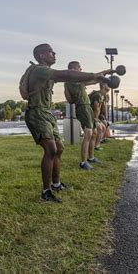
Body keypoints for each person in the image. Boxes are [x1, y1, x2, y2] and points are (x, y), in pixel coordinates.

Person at [24, 43, 114, 203]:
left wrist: (101, 75)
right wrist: (95, 75)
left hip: (47, 114)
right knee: (50, 149)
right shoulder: (40, 70)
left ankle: (56, 184)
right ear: (41, 56)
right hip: (36, 113)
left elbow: (74, 77)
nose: (54, 53)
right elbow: (66, 74)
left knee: (59, 148)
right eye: (50, 51)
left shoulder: (46, 72)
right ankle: (46, 192)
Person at [64, 61, 102, 170]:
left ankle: (91, 158)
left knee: (94, 133)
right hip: (82, 107)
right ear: (73, 69)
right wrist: (99, 75)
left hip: (87, 106)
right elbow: (88, 79)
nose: (81, 69)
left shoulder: (78, 81)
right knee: (88, 133)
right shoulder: (71, 80)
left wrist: (101, 78)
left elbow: (92, 81)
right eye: (79, 68)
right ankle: (83, 162)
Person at [89, 82, 110, 151]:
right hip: (89, 115)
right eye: (108, 85)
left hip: (94, 115)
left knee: (103, 127)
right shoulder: (98, 95)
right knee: (100, 128)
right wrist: (96, 119)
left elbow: (102, 108)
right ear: (103, 85)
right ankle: (95, 145)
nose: (110, 86)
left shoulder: (102, 95)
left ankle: (97, 145)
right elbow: (96, 108)